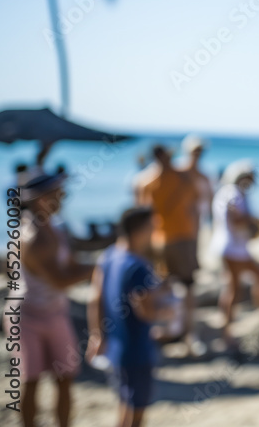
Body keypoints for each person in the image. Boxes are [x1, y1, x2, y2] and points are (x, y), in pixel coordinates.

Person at [13, 171, 95, 427]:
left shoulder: (55, 228)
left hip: (56, 311)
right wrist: (98, 268)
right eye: (58, 193)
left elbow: (69, 266)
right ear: (41, 199)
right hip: (28, 316)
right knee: (31, 380)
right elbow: (59, 279)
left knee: (65, 376)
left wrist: (96, 265)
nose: (63, 197)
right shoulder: (31, 236)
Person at [86, 207, 171, 427]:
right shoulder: (139, 267)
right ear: (140, 231)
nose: (154, 233)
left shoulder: (108, 256)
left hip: (115, 347)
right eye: (152, 228)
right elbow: (145, 311)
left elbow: (95, 299)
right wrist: (168, 315)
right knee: (137, 412)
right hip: (137, 349)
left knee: (125, 403)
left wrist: (97, 335)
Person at [137, 144, 203, 355]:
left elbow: (142, 212)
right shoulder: (178, 178)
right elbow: (195, 207)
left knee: (175, 286)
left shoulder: (148, 180)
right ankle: (176, 332)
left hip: (171, 238)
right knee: (173, 287)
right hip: (176, 239)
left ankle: (181, 332)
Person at [211, 160, 259, 346]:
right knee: (235, 289)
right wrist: (252, 223)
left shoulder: (227, 192)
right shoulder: (233, 193)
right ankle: (229, 331)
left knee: (244, 284)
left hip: (233, 247)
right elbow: (236, 220)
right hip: (233, 248)